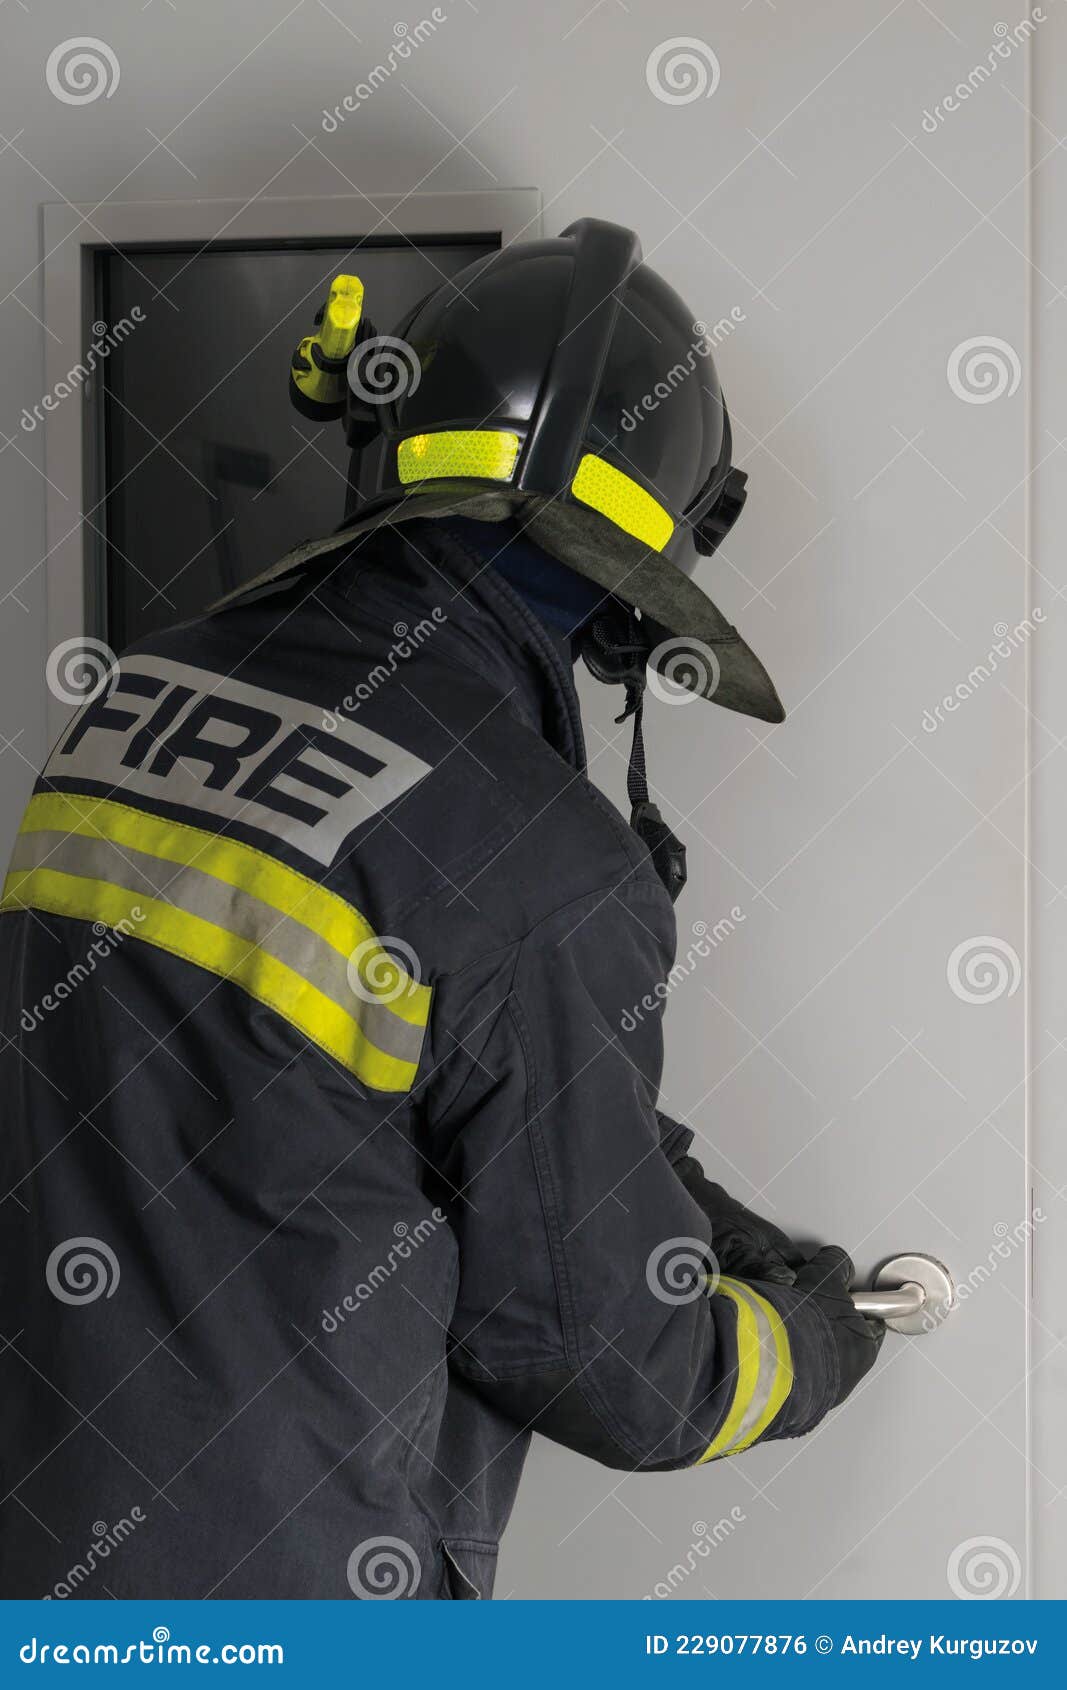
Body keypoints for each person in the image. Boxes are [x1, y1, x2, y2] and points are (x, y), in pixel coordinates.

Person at [0, 219, 882, 1601]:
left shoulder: (133, 701)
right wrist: (812, 1332)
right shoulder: (544, 864)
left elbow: (333, 1082)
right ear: (637, 582)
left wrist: (681, 1199)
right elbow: (604, 1363)